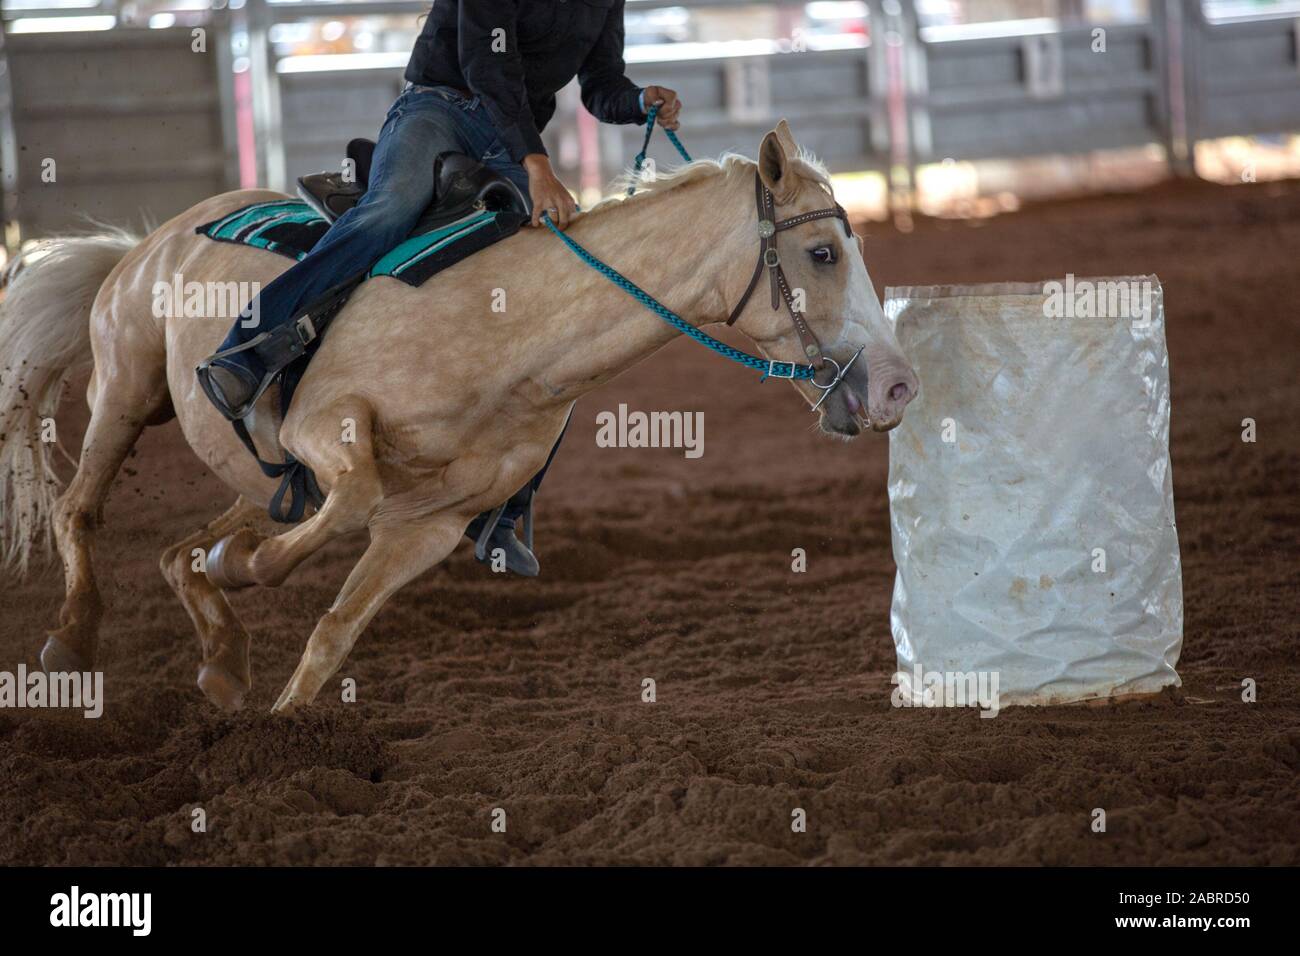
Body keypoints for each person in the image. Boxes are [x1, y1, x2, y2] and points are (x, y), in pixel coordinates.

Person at [195, 0, 682, 575]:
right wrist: (535, 163)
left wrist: (636, 101)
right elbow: (485, 64)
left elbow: (600, 83)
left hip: (511, 139)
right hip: (439, 110)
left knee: (546, 297)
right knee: (387, 212)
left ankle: (504, 506)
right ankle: (248, 347)